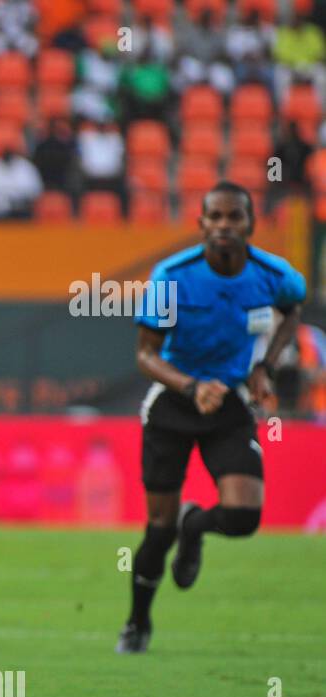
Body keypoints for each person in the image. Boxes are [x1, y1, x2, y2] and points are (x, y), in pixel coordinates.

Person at [121, 181, 305, 654]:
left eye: (233, 217)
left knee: (244, 517)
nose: (224, 226)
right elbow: (145, 355)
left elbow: (293, 308)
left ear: (250, 224)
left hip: (228, 403)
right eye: (215, 218)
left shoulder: (274, 274)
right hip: (173, 402)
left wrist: (265, 365)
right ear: (201, 223)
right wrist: (190, 385)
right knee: (157, 530)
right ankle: (137, 623)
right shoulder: (171, 276)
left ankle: (195, 527)